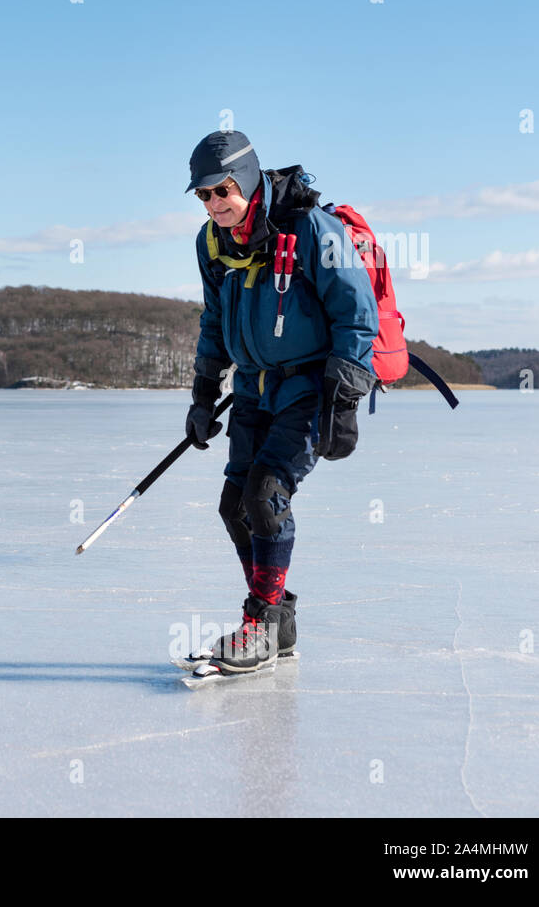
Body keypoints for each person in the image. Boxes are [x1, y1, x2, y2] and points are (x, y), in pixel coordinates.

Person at [183, 131, 379, 673]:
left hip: (309, 386)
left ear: (245, 180)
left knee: (266, 495)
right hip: (252, 388)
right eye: (203, 195)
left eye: (223, 190)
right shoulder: (211, 245)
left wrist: (341, 403)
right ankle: (277, 624)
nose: (215, 204)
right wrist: (204, 394)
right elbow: (213, 322)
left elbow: (356, 313)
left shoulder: (311, 227)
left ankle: (261, 624)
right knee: (234, 504)